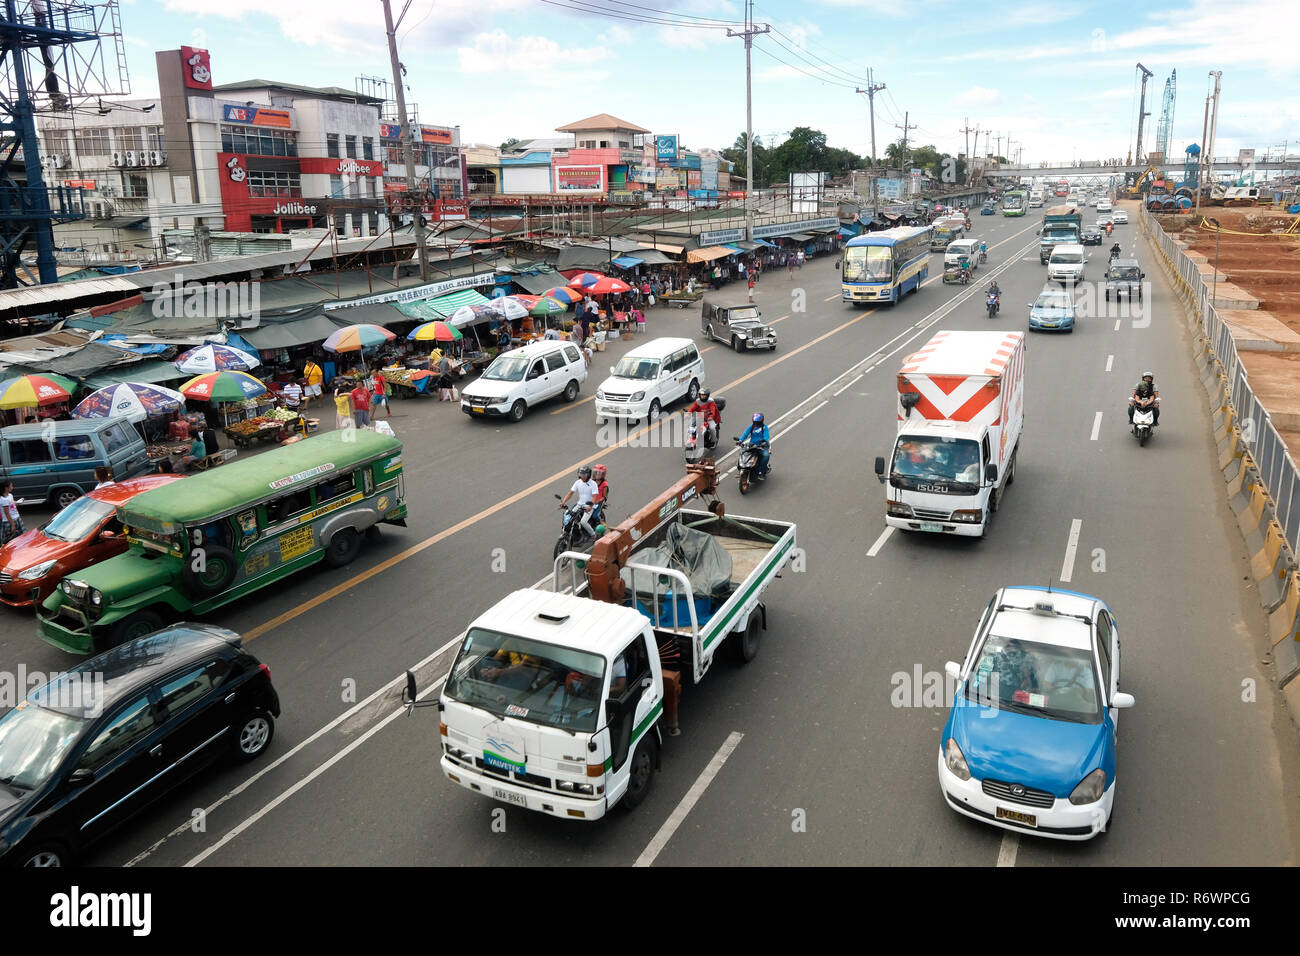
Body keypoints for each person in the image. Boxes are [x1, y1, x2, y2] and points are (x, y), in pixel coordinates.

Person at [559, 465, 599, 537]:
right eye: (581, 474)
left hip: (589, 506)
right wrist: (563, 502)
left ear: (589, 475)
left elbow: (594, 497)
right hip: (579, 505)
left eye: (584, 475)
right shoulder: (578, 482)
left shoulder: (593, 484)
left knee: (583, 522)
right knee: (569, 518)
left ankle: (593, 535)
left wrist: (590, 506)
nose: (582, 476)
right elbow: (570, 493)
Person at [738, 412, 771, 479]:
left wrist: (764, 441)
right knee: (743, 454)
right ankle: (741, 468)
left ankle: (761, 472)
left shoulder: (765, 427)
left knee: (766, 455)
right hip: (752, 445)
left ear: (761, 421)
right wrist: (740, 440)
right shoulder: (751, 426)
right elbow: (745, 434)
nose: (756, 423)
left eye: (757, 422)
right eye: (755, 422)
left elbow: (766, 436)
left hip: (762, 446)